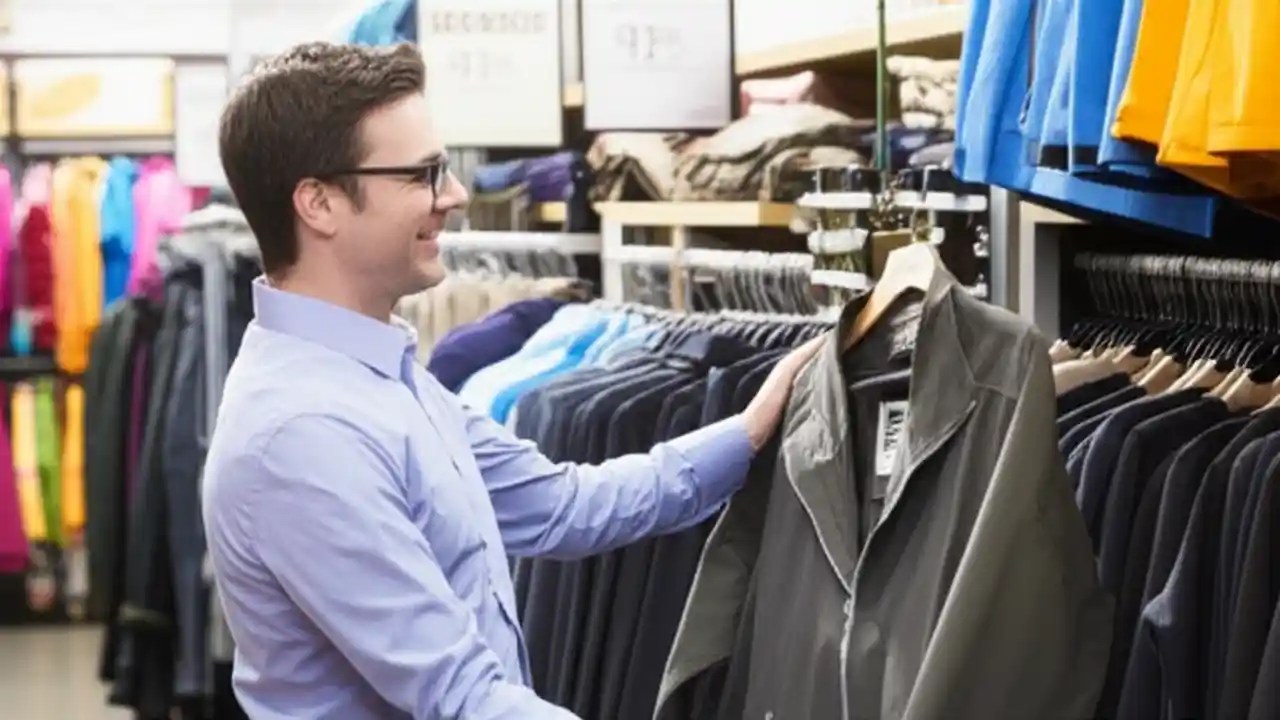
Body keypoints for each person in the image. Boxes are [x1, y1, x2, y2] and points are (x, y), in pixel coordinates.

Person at [203, 42, 820, 720]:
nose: (456, 196)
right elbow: (462, 697)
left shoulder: (383, 378)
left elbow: (563, 505)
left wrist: (749, 429)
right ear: (318, 204)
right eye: (424, 174)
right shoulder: (304, 434)